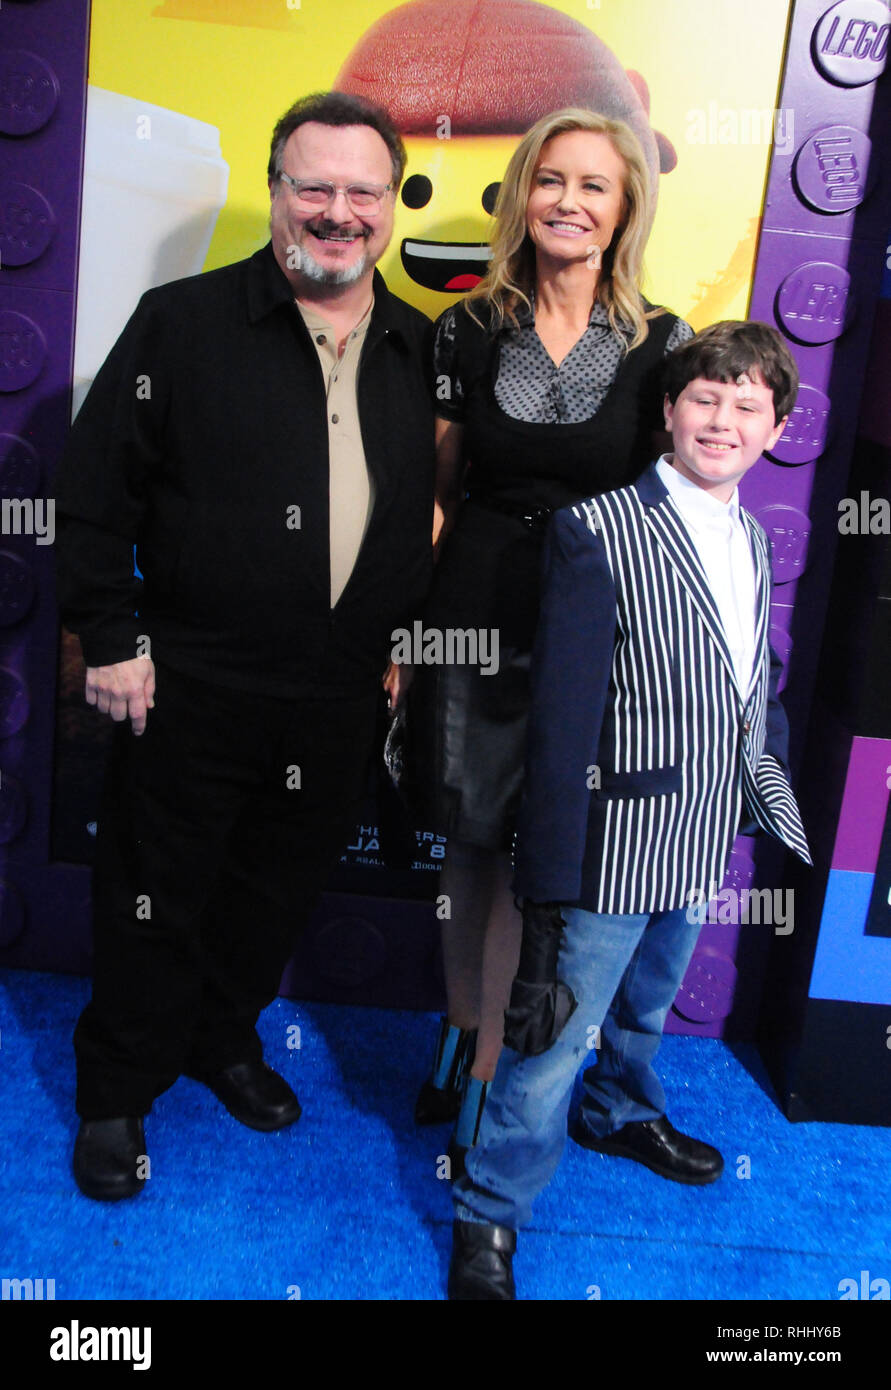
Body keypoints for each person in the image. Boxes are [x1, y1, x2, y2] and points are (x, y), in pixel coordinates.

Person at [54, 91, 434, 1201]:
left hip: (339, 694)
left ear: (391, 205)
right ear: (275, 193)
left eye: (363, 191)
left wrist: (407, 643)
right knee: (151, 888)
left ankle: (223, 1040)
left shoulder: (424, 347)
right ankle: (118, 1089)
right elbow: (90, 495)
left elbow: (436, 512)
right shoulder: (180, 324)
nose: (338, 211)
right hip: (189, 680)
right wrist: (110, 635)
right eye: (313, 186)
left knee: (273, 890)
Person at [447, 320, 813, 1299]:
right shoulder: (595, 529)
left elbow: (750, 681)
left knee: (644, 1006)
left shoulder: (751, 537)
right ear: (665, 412)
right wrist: (552, 869)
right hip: (608, 841)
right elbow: (563, 715)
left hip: (701, 832)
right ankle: (489, 1210)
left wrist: (756, 793)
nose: (722, 419)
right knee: (553, 1033)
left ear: (776, 427)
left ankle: (617, 1110)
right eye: (705, 397)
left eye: (747, 404)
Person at [409, 108, 692, 1169]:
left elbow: (674, 501)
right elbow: (435, 495)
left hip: (591, 624)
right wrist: (410, 636)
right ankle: (461, 1029)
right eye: (552, 180)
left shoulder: (663, 342)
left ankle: (489, 1080)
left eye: (596, 186)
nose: (570, 202)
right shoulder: (467, 328)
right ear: (524, 193)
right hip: (473, 604)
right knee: (470, 839)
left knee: (542, 853)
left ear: (625, 211)